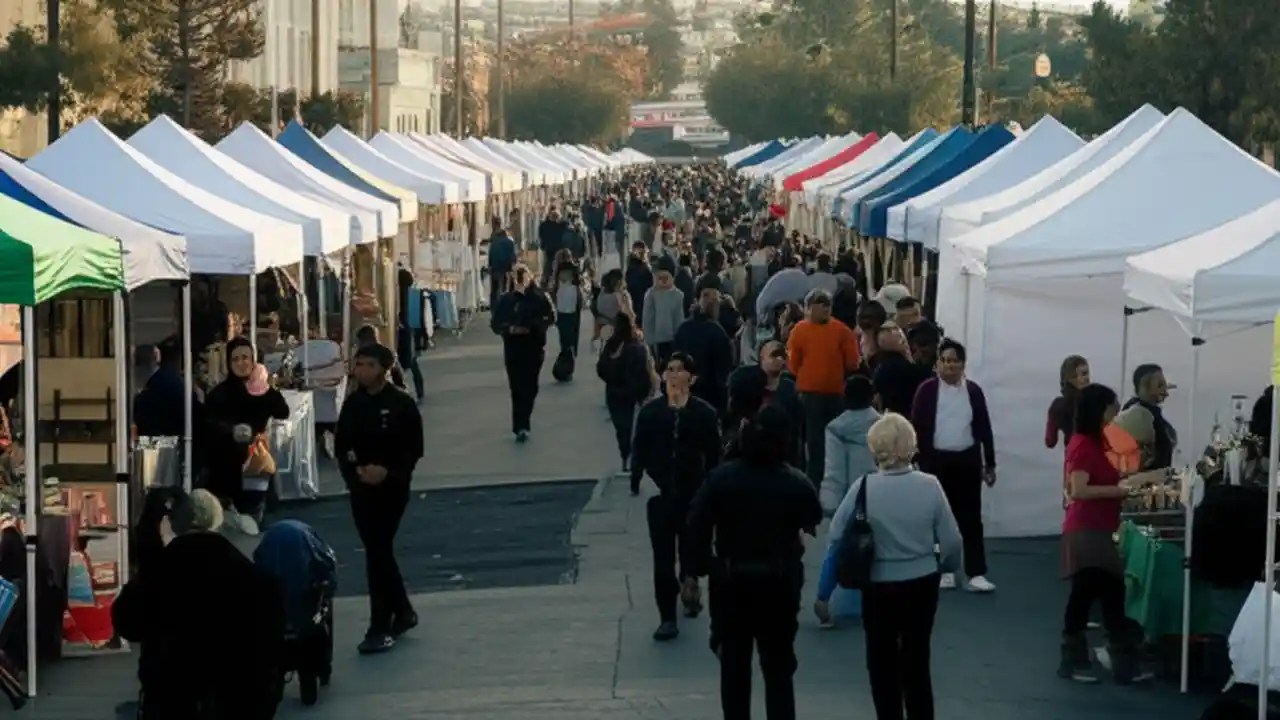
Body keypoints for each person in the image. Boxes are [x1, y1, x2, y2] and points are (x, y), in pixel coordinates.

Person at [822, 413, 963, 720]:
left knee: (881, 658)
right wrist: (943, 565)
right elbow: (952, 542)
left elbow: (836, 533)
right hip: (922, 579)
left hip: (878, 581)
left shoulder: (863, 487)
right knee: (917, 658)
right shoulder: (930, 486)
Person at [686, 405, 822, 720]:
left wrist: (696, 570)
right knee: (778, 669)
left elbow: (696, 526)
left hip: (732, 581)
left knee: (733, 668)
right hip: (779, 582)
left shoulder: (721, 479)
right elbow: (811, 517)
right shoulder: (794, 483)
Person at [113, 488, 286, 719]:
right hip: (240, 698)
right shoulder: (252, 575)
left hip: (173, 697)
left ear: (173, 524)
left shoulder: (157, 573)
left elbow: (127, 624)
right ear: (216, 520)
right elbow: (273, 640)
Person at [335, 342, 425, 654]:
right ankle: (402, 610)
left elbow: (414, 449)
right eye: (359, 365)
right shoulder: (353, 405)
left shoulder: (401, 404)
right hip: (361, 489)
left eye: (369, 365)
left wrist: (387, 472)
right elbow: (342, 445)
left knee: (377, 549)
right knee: (378, 550)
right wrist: (356, 473)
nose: (362, 371)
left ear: (384, 369)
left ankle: (379, 623)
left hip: (392, 489)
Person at [1059, 383, 1148, 684]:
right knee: (1090, 593)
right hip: (1087, 529)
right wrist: (1119, 490)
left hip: (1095, 527)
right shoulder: (1084, 444)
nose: (1116, 411)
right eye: (1112, 406)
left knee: (1106, 594)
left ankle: (1110, 659)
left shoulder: (1095, 442)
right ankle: (1081, 659)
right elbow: (1079, 488)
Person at [630, 352, 722, 641]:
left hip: (694, 495)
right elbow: (639, 449)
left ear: (691, 378)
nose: (672, 375)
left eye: (680, 370)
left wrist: (712, 491)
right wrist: (636, 479)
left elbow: (714, 456)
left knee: (692, 549)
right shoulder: (650, 413)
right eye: (668, 369)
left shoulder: (705, 413)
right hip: (661, 496)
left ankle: (690, 580)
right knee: (663, 558)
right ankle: (667, 616)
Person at [910, 338, 998, 594]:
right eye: (944, 361)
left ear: (962, 365)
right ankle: (945, 570)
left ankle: (976, 572)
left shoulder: (973, 391)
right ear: (937, 364)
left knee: (971, 518)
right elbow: (916, 427)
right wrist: (917, 461)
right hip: (936, 462)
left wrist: (989, 462)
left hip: (967, 460)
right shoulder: (926, 390)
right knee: (939, 520)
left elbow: (984, 427)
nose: (949, 366)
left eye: (954, 361)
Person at [201, 336, 290, 527]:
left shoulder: (261, 390)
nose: (242, 363)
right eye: (236, 359)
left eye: (246, 358)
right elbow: (208, 424)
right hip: (226, 467)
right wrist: (231, 430)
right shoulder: (219, 394)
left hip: (256, 462)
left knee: (255, 520)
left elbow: (283, 411)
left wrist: (266, 387)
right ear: (228, 363)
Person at [253, 519, 338, 706]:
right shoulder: (311, 544)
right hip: (306, 607)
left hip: (276, 611)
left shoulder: (266, 553)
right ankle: (321, 670)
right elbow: (327, 570)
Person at [786, 289, 861, 488]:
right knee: (833, 440)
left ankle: (813, 483)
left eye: (826, 305)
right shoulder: (843, 331)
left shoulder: (800, 330)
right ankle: (834, 481)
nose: (825, 309)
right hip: (834, 393)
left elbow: (793, 364)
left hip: (811, 394)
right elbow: (853, 363)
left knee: (814, 442)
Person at [490, 264, 556, 442]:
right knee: (516, 387)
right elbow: (496, 323)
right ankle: (521, 425)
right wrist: (510, 328)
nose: (520, 282)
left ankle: (524, 416)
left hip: (533, 347)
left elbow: (550, 317)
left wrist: (532, 327)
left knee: (531, 387)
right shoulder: (506, 300)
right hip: (513, 348)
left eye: (523, 278)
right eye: (516, 278)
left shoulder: (540, 298)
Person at [596, 312, 656, 471]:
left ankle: (627, 457)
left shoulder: (612, 346)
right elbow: (644, 374)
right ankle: (631, 459)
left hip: (615, 395)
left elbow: (601, 369)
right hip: (632, 396)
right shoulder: (637, 347)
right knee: (631, 430)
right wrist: (643, 393)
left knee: (623, 430)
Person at [819, 375, 881, 515]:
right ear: (872, 397)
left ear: (845, 397)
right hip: (881, 498)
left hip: (849, 503)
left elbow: (834, 469)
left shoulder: (835, 429)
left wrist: (829, 505)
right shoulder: (884, 426)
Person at [674, 286, 734, 415]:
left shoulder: (683, 328)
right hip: (710, 394)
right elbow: (724, 368)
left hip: (686, 389)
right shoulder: (717, 332)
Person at [1111, 363, 1177, 471]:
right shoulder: (1139, 415)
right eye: (1160, 385)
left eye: (1165, 384)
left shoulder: (1149, 411)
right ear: (1144, 389)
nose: (1165, 389)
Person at [643, 255, 686, 369]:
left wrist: (649, 341)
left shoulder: (651, 294)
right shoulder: (678, 294)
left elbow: (647, 320)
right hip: (671, 340)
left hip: (657, 341)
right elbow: (679, 320)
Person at [1047, 355, 1090, 451]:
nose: (1088, 378)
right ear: (1072, 378)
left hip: (1074, 459)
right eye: (1084, 374)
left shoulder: (1057, 406)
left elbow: (1050, 442)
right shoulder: (1098, 400)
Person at [552, 258, 586, 359]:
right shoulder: (558, 287)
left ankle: (570, 351)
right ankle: (566, 351)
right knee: (563, 336)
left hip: (572, 314)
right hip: (561, 314)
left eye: (567, 274)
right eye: (562, 274)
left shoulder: (575, 288)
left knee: (570, 335)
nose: (564, 276)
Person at [487, 220, 518, 310]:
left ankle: (494, 307)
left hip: (495, 268)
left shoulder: (494, 243)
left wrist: (490, 266)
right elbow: (513, 257)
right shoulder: (510, 242)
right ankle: (504, 306)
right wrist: (513, 266)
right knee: (505, 287)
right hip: (506, 268)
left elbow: (491, 255)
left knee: (494, 288)